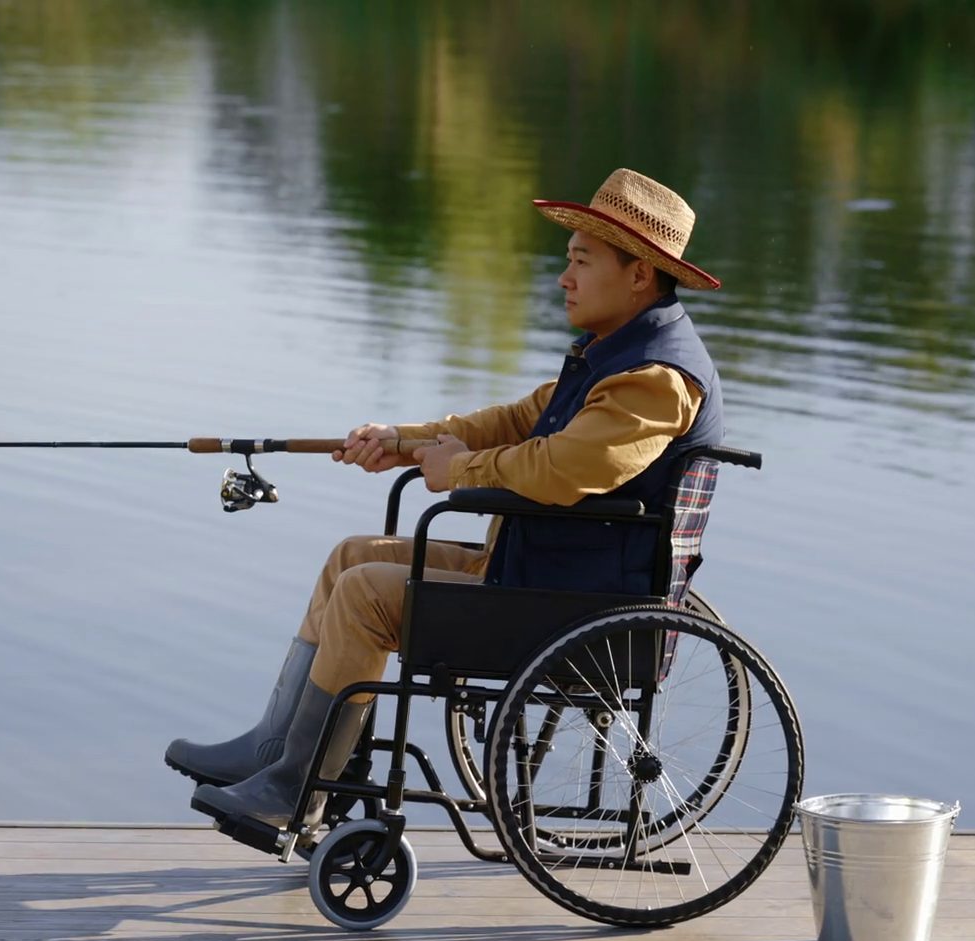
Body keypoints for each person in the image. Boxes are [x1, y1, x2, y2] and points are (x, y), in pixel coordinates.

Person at [169, 169, 728, 844]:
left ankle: (296, 790)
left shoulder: (656, 380)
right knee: (352, 557)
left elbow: (565, 469)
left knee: (366, 595)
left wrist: (457, 470)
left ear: (639, 275)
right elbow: (513, 422)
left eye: (582, 261)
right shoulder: (614, 355)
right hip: (538, 575)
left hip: (574, 609)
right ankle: (275, 751)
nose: (563, 278)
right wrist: (401, 442)